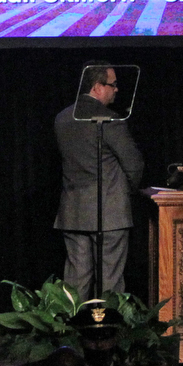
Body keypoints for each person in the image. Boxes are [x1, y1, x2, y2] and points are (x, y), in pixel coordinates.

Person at [53, 62, 143, 295]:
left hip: (74, 212)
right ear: (97, 87)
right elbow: (133, 164)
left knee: (75, 285)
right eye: (113, 84)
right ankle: (107, 321)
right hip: (110, 213)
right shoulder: (109, 120)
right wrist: (126, 193)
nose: (116, 89)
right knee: (109, 285)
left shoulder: (62, 118)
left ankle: (72, 320)